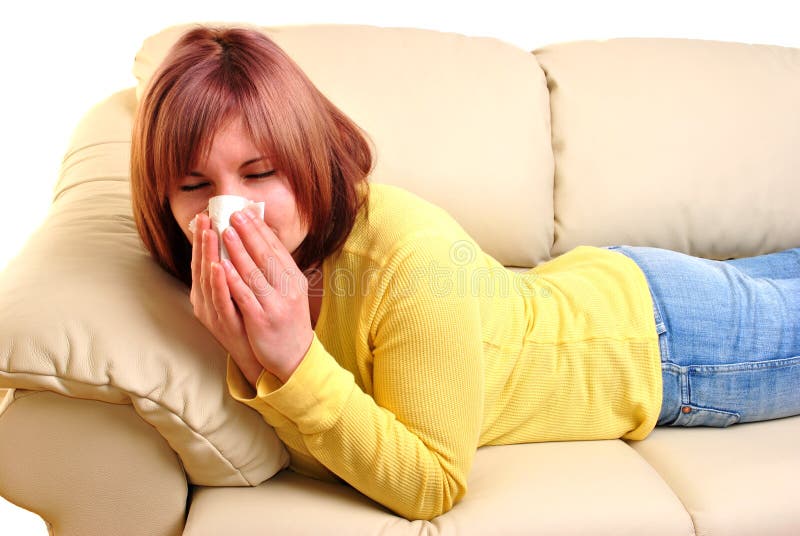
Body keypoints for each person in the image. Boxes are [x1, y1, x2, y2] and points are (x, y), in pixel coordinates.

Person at [130, 26, 800, 520]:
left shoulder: (407, 256)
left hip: (669, 345)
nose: (229, 209)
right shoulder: (217, 281)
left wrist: (288, 355)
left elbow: (432, 484)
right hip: (610, 289)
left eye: (260, 172)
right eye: (194, 185)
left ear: (307, 156)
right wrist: (255, 348)